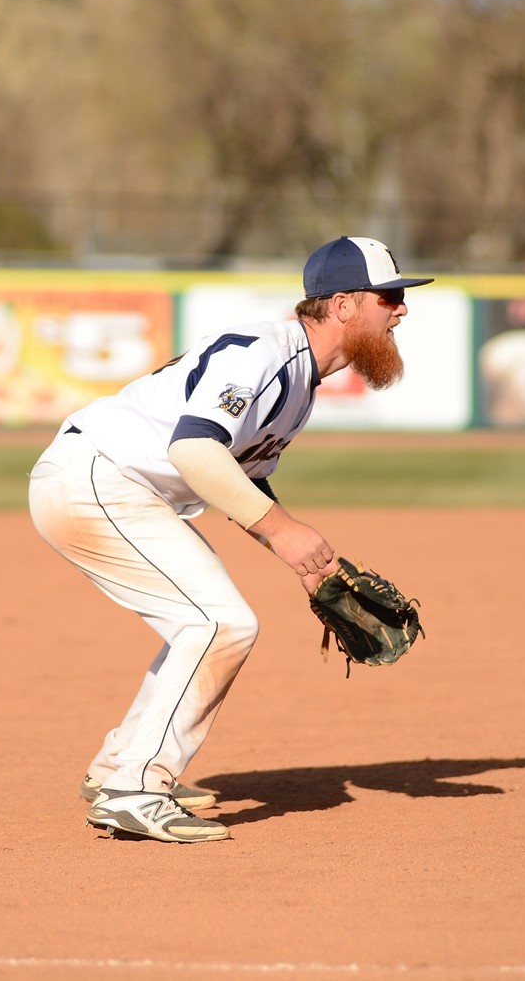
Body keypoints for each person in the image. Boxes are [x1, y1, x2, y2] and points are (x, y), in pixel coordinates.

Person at [27, 236, 432, 844]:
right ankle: (136, 787)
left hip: (117, 487)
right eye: (389, 296)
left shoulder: (299, 379)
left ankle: (121, 765)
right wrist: (283, 531)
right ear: (344, 304)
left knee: (201, 622)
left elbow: (242, 475)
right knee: (220, 623)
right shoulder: (267, 353)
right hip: (97, 478)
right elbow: (193, 449)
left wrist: (299, 555)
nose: (401, 309)